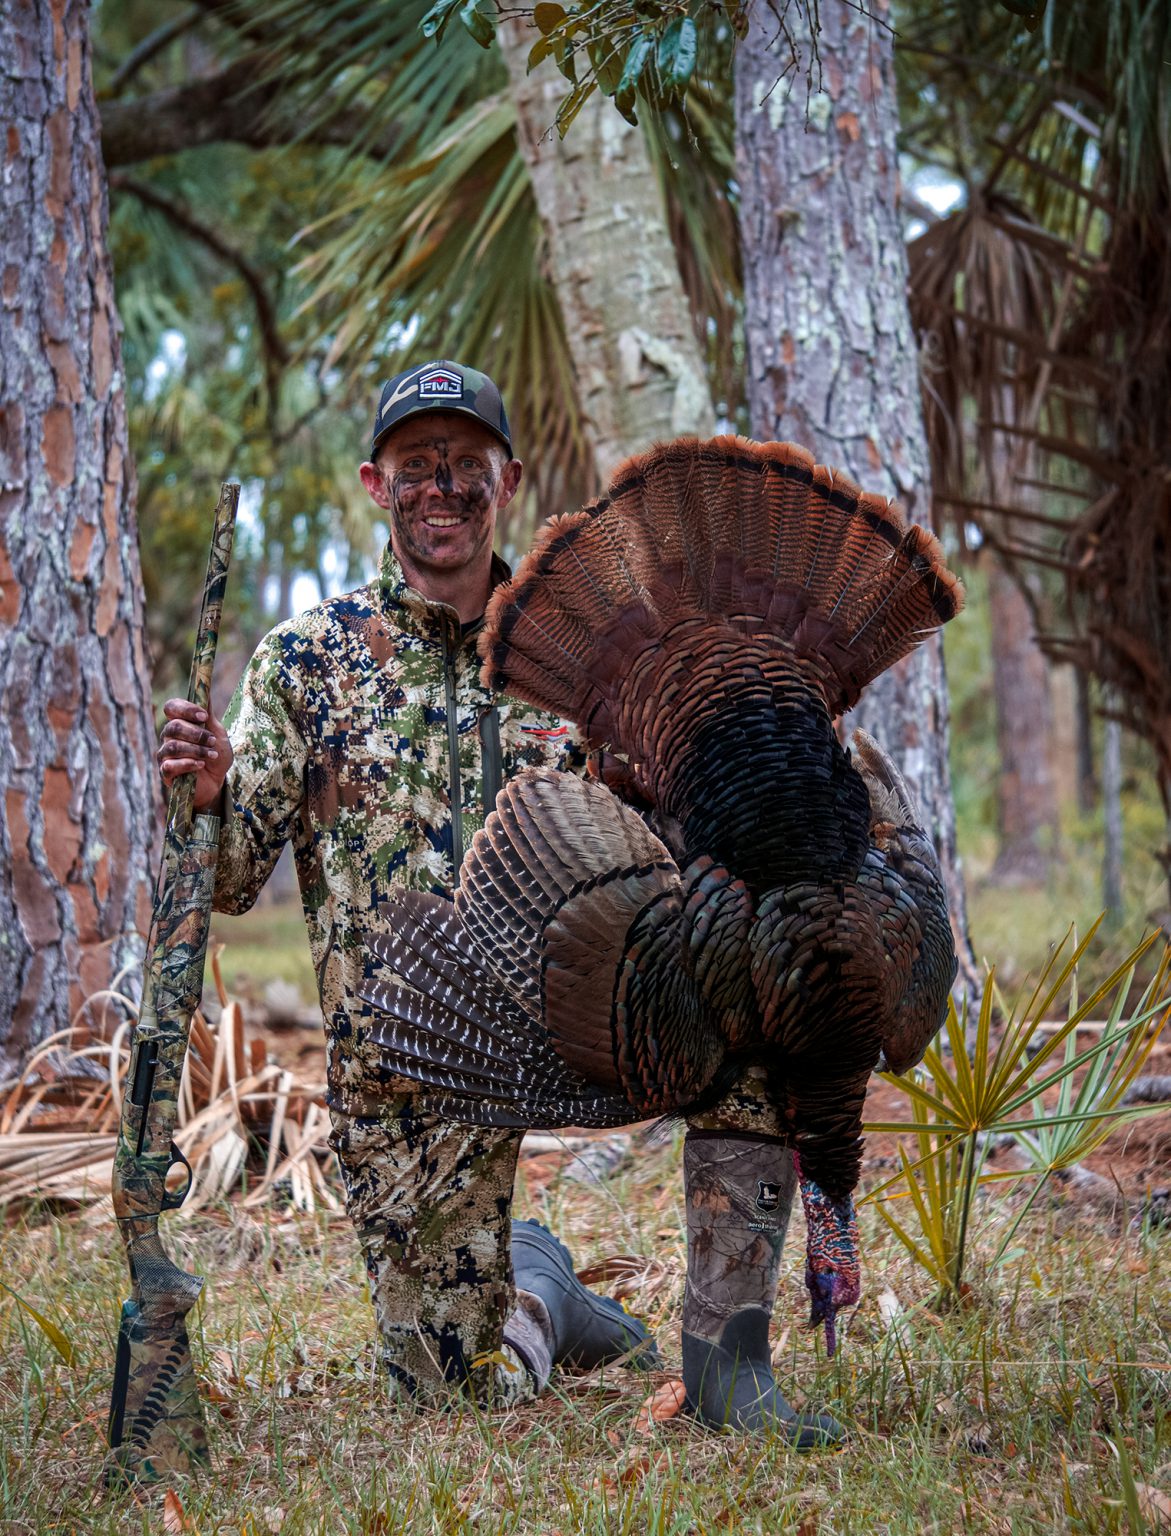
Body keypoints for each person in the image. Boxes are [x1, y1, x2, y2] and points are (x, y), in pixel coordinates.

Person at [158, 361, 654, 1408]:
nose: (440, 488)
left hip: (571, 1040)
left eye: (464, 465)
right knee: (449, 1392)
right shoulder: (307, 662)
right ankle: (547, 1294)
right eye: (414, 467)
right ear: (375, 486)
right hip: (407, 1071)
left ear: (507, 482)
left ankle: (715, 1341)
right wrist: (208, 797)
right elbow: (236, 875)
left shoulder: (576, 651)